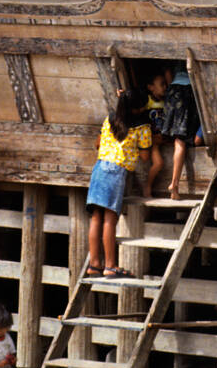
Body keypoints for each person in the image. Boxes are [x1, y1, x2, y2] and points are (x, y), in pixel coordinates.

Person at [86, 87, 152, 277]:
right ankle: (110, 265)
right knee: (110, 219)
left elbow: (98, 143)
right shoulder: (142, 126)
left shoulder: (111, 118)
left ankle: (94, 263)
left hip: (99, 168)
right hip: (116, 171)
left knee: (96, 217)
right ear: (139, 108)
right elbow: (146, 157)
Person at [162, 61, 202, 200]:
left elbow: (168, 71)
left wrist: (170, 90)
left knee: (177, 140)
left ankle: (174, 184)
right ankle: (174, 184)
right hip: (188, 93)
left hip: (173, 92)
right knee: (180, 141)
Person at [143, 63, 168, 197]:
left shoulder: (167, 102)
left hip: (161, 138)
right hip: (152, 140)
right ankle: (147, 186)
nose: (165, 87)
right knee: (158, 163)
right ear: (150, 87)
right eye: (162, 84)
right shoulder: (147, 102)